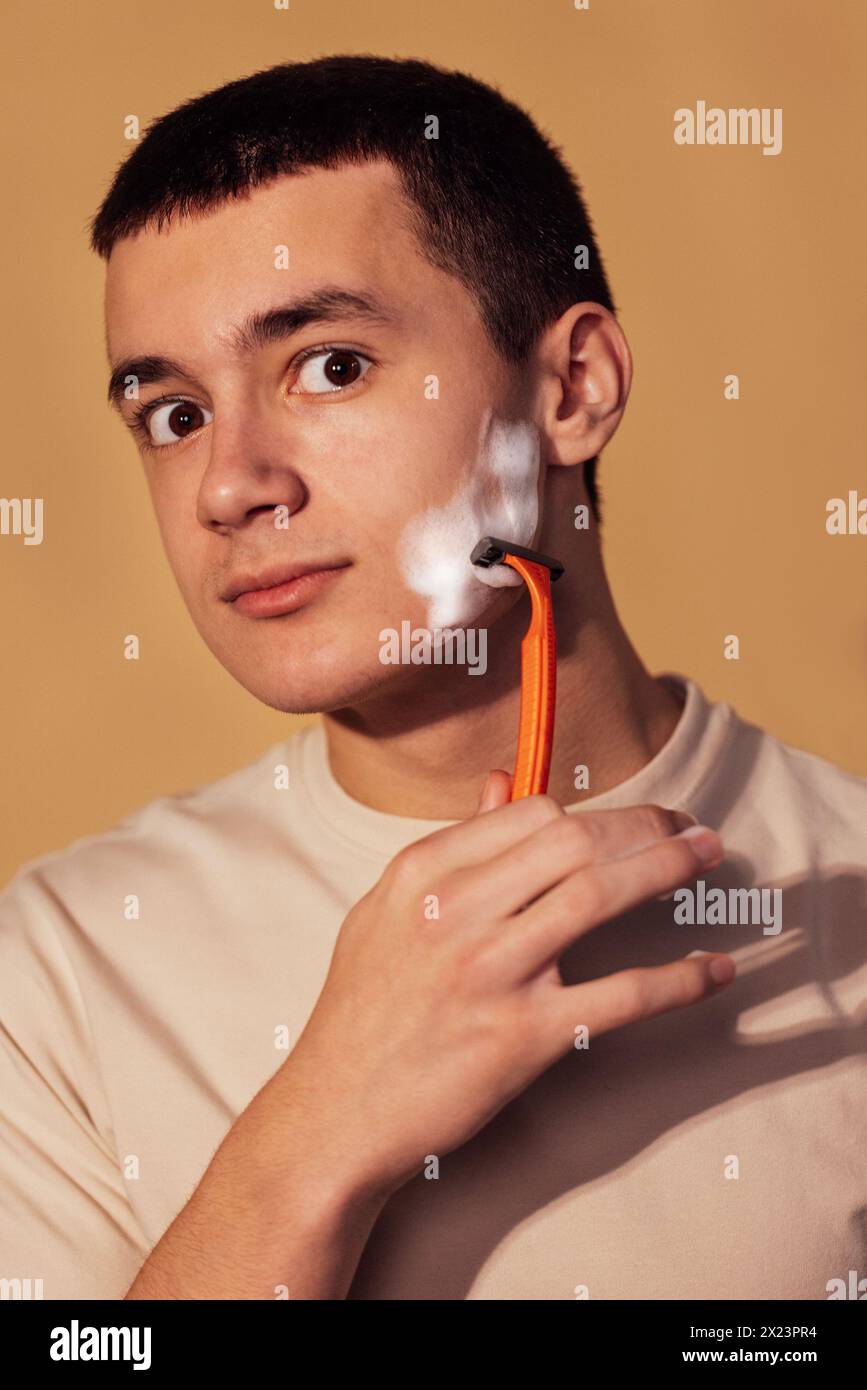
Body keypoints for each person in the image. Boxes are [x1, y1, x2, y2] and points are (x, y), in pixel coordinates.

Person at [1, 55, 865, 1302]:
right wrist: (309, 1145)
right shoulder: (63, 972)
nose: (230, 484)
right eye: (174, 413)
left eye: (331, 365)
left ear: (572, 390)